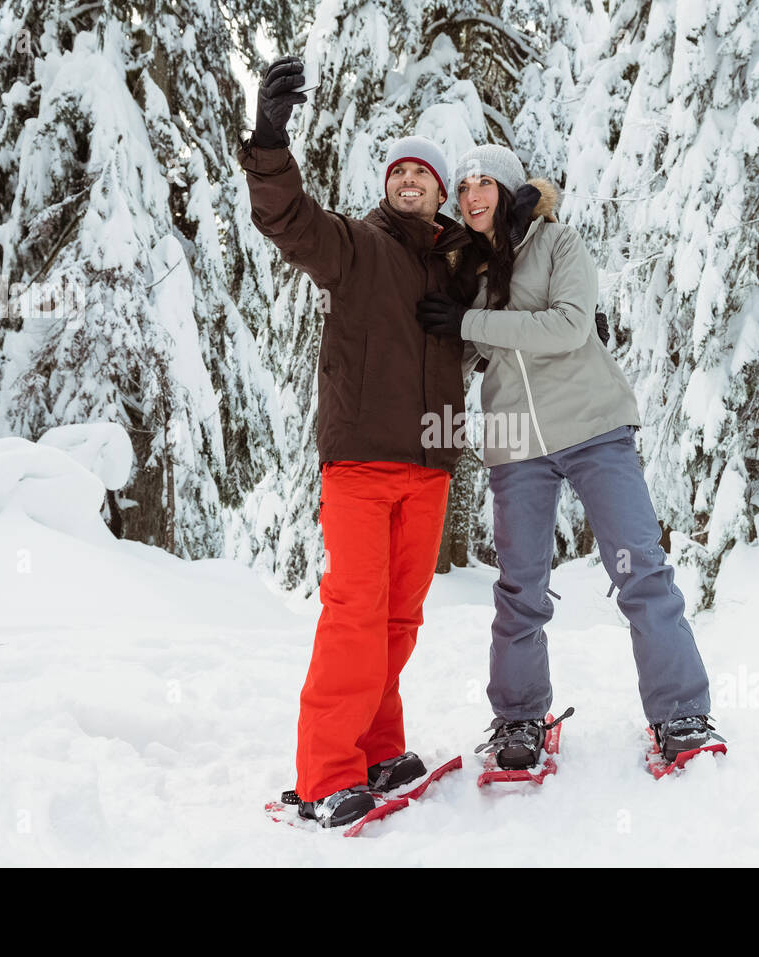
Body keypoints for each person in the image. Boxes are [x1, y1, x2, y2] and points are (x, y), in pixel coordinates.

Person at [416, 144, 725, 769]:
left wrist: (471, 325)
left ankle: (681, 715)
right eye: (465, 187)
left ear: (506, 191)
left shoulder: (558, 244)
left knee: (640, 570)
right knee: (520, 588)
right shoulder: (470, 273)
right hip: (514, 441)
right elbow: (465, 356)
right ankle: (519, 721)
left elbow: (568, 327)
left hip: (593, 427)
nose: (472, 195)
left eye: (484, 183)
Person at [239, 56, 470, 827]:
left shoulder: (453, 272)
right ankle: (327, 771)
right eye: (398, 172)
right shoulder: (356, 248)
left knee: (400, 619)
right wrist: (270, 143)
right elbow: (288, 220)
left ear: (441, 192)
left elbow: (515, 280)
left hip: (430, 465)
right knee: (354, 614)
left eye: (423, 174)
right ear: (387, 187)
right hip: (364, 463)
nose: (410, 182)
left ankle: (378, 745)